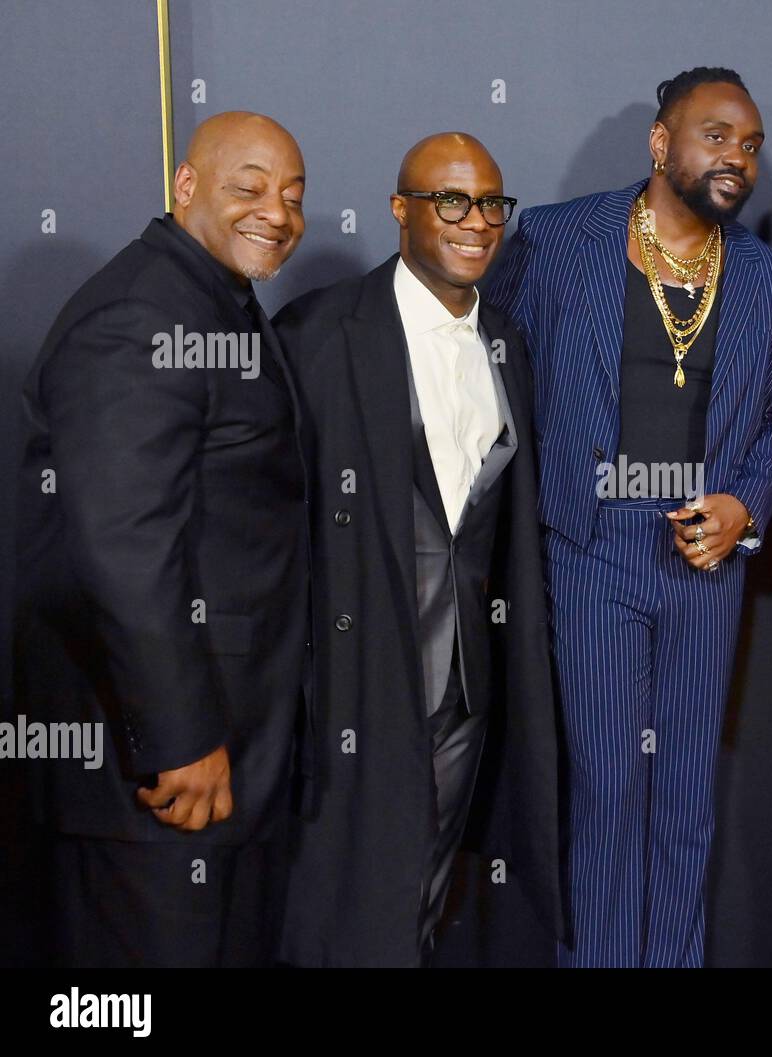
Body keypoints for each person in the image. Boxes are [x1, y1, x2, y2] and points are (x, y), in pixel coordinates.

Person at [489, 67, 772, 967]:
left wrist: (746, 506)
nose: (735, 157)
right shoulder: (554, 241)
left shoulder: (768, 278)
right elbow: (489, 372)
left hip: (705, 557)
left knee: (686, 802)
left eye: (749, 144)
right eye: (715, 136)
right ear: (661, 143)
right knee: (608, 792)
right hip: (589, 549)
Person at [14, 112, 308, 967]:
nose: (277, 212)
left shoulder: (214, 299)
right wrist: (180, 739)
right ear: (185, 186)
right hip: (157, 779)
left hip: (224, 761)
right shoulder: (142, 313)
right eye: (248, 187)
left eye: (293, 196)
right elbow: (123, 549)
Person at [272, 133, 562, 966]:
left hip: (466, 688)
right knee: (339, 899)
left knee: (425, 895)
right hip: (352, 689)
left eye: (491, 205)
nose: (476, 223)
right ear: (401, 210)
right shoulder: (320, 332)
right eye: (451, 202)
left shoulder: (509, 340)